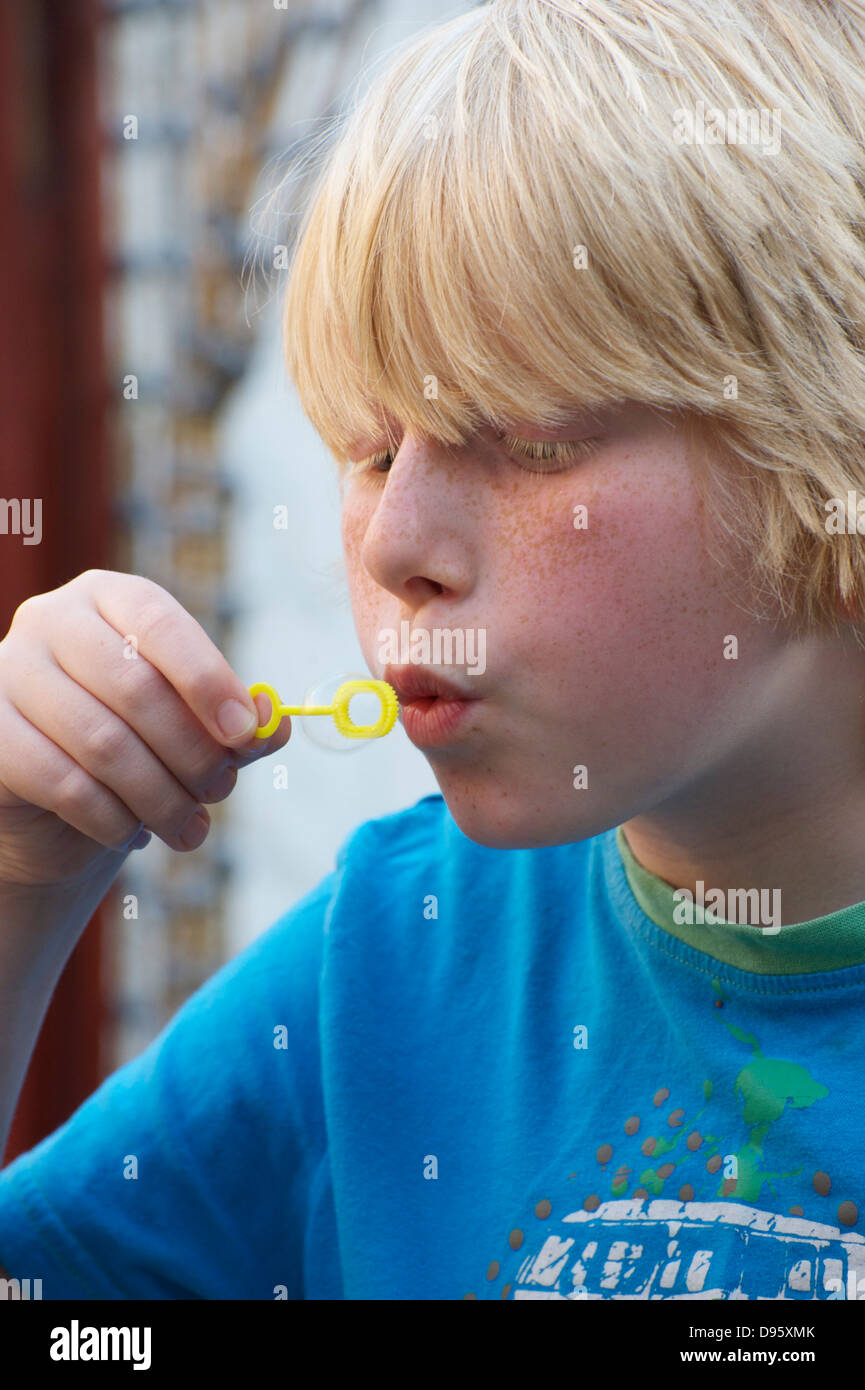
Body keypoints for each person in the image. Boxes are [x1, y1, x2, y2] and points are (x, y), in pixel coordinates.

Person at [2, 0, 865, 1300]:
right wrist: (19, 881)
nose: (397, 541)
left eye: (526, 440)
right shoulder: (386, 962)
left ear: (826, 441)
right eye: (365, 449)